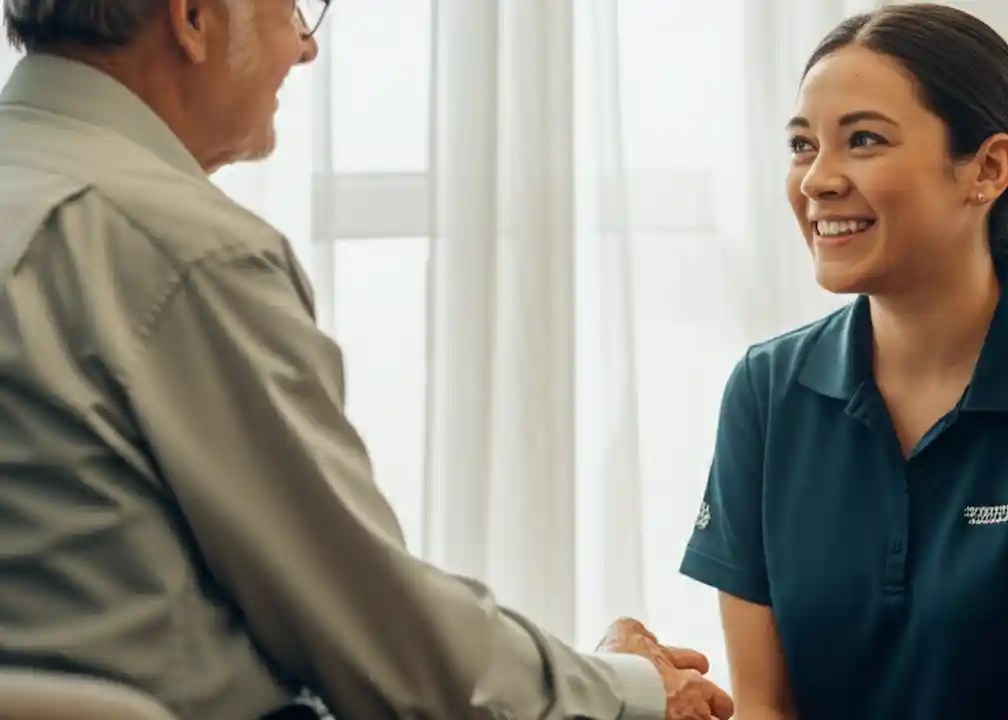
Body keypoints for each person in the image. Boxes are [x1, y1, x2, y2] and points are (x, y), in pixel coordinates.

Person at [0, 1, 733, 719]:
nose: (306, 48)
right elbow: (381, 645)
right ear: (192, 17)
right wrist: (628, 691)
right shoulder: (174, 249)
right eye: (291, 9)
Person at [680, 4, 1008, 719]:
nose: (816, 181)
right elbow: (766, 707)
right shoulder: (766, 393)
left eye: (863, 141)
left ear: (987, 169)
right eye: (803, 146)